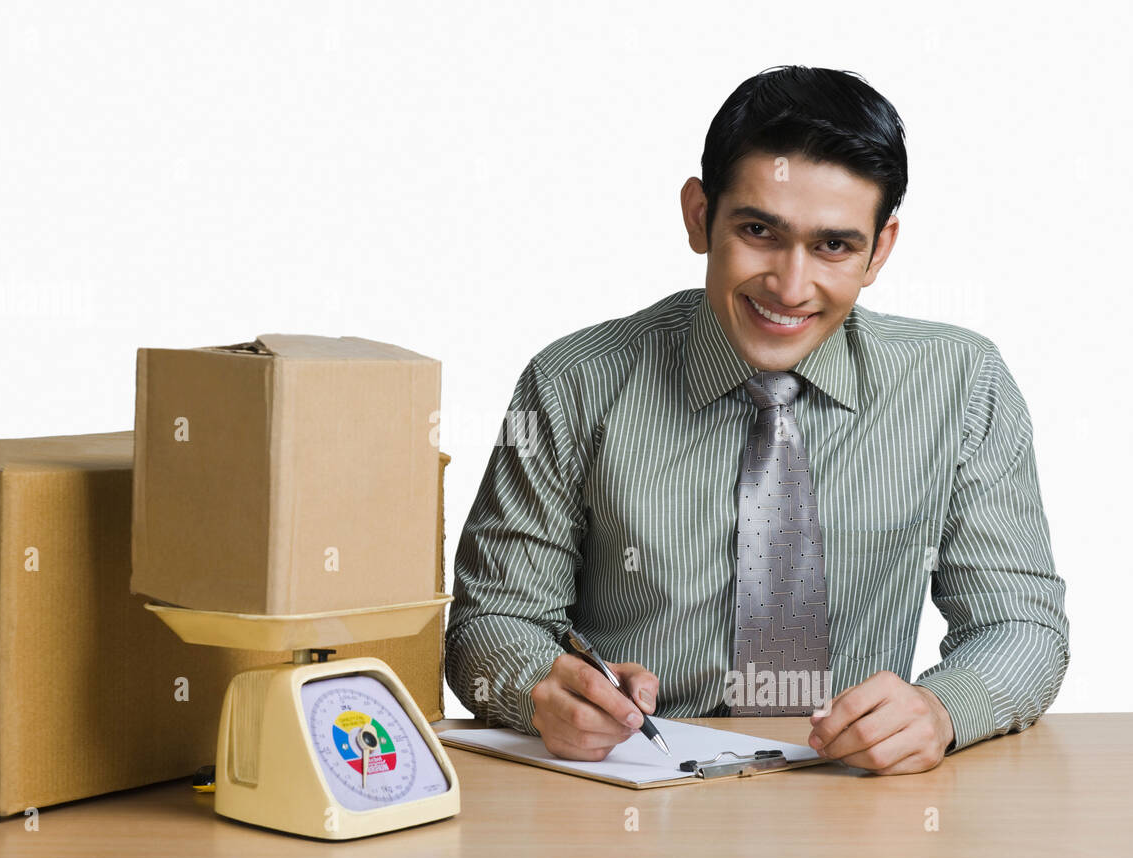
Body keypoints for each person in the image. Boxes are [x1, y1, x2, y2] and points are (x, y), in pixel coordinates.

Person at [444, 64, 1069, 776]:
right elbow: (489, 622)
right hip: (632, 790)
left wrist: (940, 710)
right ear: (698, 216)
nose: (790, 285)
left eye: (834, 244)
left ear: (879, 250)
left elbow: (1019, 624)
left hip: (855, 795)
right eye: (759, 230)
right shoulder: (572, 382)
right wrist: (541, 689)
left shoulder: (961, 385)